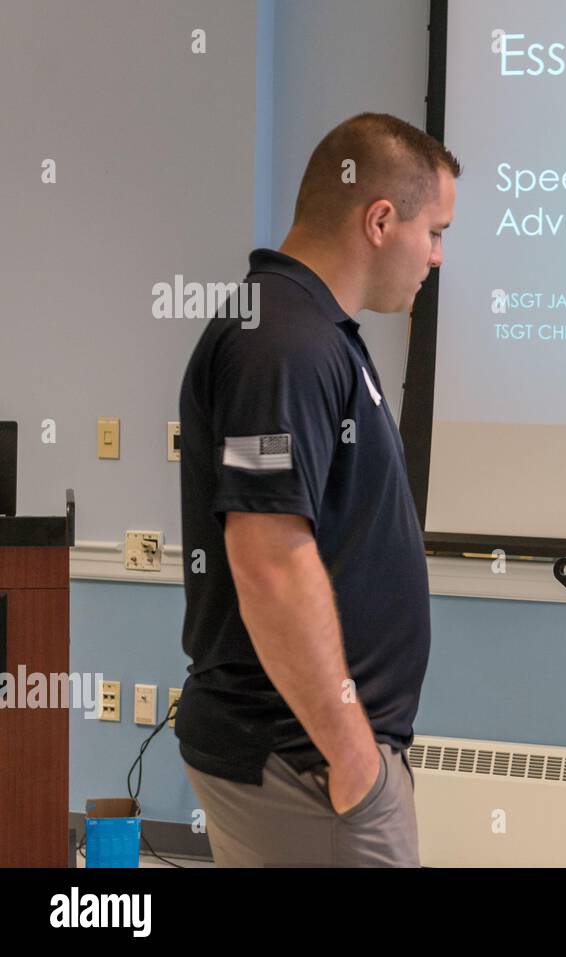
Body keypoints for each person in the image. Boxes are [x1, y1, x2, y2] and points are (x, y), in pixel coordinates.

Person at [176, 113, 459, 866]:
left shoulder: (314, 332)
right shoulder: (283, 342)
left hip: (313, 759)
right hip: (303, 760)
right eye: (434, 232)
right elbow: (267, 560)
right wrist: (355, 762)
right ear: (379, 219)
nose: (436, 256)